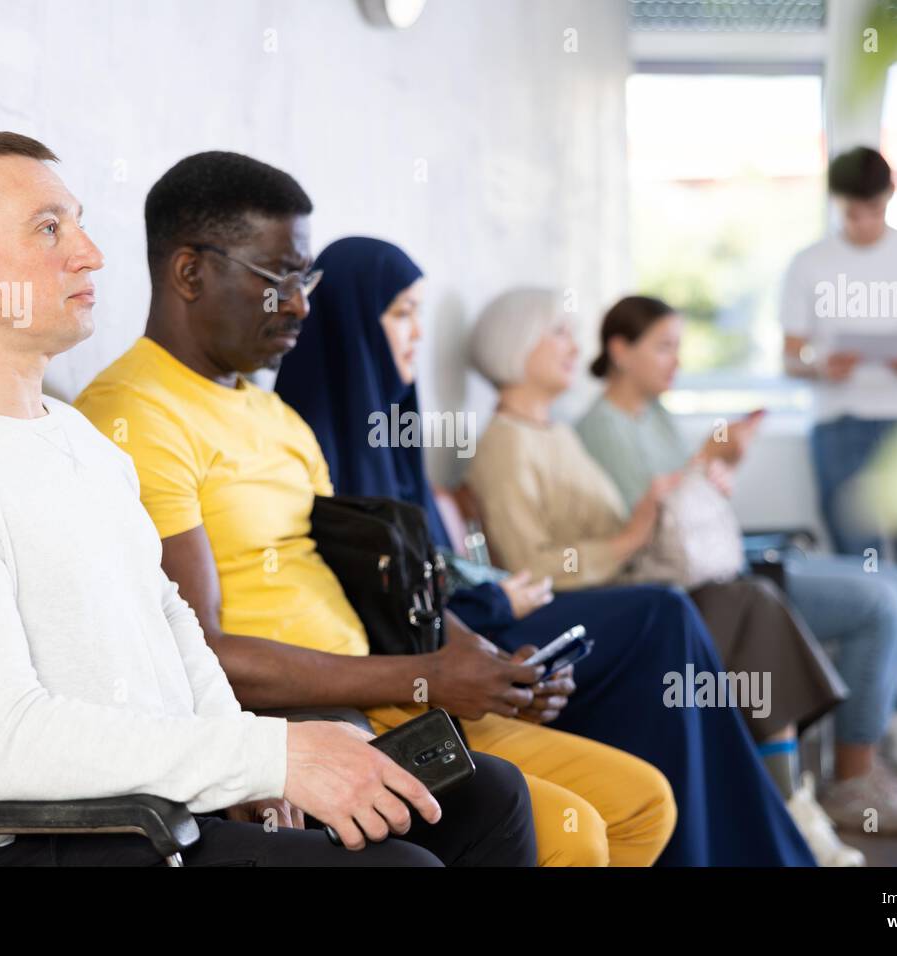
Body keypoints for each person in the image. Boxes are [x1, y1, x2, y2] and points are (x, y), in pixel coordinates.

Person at [0, 132, 538, 868]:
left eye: (79, 221)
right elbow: (9, 742)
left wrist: (255, 777)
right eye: (48, 227)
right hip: (36, 844)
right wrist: (266, 754)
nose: (90, 252)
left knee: (486, 799)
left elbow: (170, 617)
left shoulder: (74, 436)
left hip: (161, 810)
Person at [75, 152, 675, 866]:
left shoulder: (273, 413)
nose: (299, 303)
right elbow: (201, 653)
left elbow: (365, 576)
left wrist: (479, 660)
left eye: (307, 279)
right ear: (190, 272)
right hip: (306, 722)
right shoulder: (134, 416)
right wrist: (422, 677)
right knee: (570, 831)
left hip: (390, 693)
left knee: (643, 802)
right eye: (279, 279)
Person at [273, 235, 828, 866]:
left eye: (422, 315)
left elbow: (425, 572)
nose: (418, 335)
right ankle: (762, 840)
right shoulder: (306, 438)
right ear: (351, 321)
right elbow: (384, 590)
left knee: (695, 616)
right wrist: (495, 595)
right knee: (671, 616)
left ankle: (763, 839)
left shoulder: (399, 433)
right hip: (451, 633)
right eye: (400, 314)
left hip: (467, 618)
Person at [462, 289, 873, 845]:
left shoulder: (553, 433)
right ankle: (786, 809)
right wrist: (633, 532)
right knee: (746, 606)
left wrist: (668, 500)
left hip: (626, 590)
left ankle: (784, 809)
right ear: (516, 344)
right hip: (597, 607)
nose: (573, 345)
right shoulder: (506, 445)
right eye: (557, 332)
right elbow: (530, 564)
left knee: (749, 605)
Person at [577, 294, 897, 837]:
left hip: (721, 565)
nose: (677, 362)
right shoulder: (602, 427)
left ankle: (869, 752)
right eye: (664, 347)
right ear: (619, 350)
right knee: (880, 603)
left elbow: (688, 506)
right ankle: (852, 778)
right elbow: (646, 524)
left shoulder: (656, 415)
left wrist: (717, 467)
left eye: (679, 348)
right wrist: (707, 460)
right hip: (689, 582)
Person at [781, 146, 897, 707]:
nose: (862, 222)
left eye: (872, 209)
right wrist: (818, 366)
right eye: (852, 211)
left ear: (888, 199)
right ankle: (873, 721)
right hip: (841, 426)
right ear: (838, 204)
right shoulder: (809, 263)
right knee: (864, 579)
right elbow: (789, 357)